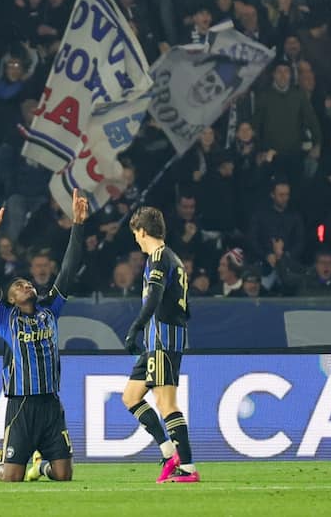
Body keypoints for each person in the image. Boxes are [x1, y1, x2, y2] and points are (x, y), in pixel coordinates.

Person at [0, 190, 87, 483]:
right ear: (11, 299)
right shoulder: (5, 317)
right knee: (11, 476)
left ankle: (41, 467)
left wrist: (78, 225)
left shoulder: (50, 309)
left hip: (51, 403)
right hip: (22, 404)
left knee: (63, 475)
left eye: (28, 283)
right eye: (19, 286)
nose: (26, 285)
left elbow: (68, 268)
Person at [121, 205, 198, 484]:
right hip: (158, 339)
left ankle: (188, 467)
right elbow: (185, 305)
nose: (136, 240)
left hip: (163, 338)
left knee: (166, 404)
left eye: (136, 234)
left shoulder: (158, 257)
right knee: (131, 396)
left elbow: (154, 296)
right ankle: (169, 453)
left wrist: (136, 326)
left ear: (142, 231)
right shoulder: (174, 259)